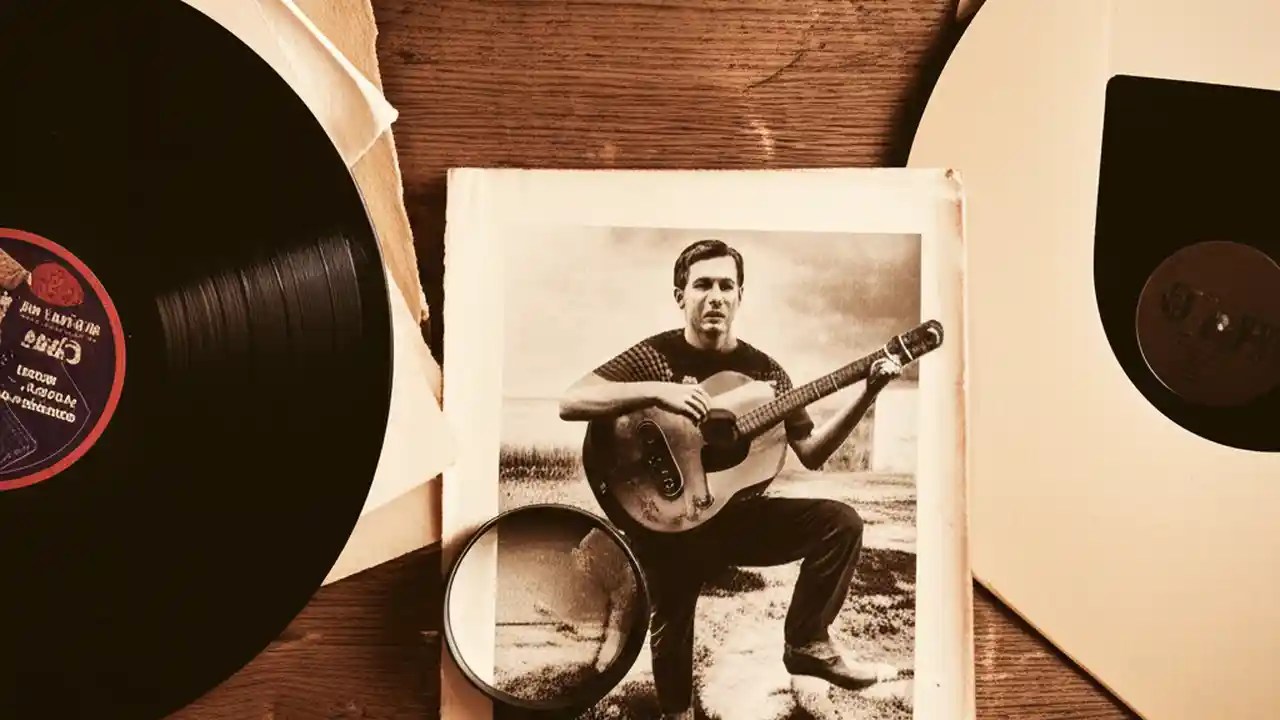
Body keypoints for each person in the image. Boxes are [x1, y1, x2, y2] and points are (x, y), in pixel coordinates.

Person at [558, 239, 902, 719]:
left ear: (741, 296)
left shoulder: (765, 374)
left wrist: (869, 392)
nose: (715, 295)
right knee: (672, 622)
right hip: (668, 519)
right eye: (702, 284)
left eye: (726, 285)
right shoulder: (657, 355)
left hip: (733, 517)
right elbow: (571, 402)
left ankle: (805, 641)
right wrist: (662, 392)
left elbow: (813, 451)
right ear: (681, 295)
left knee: (840, 523)